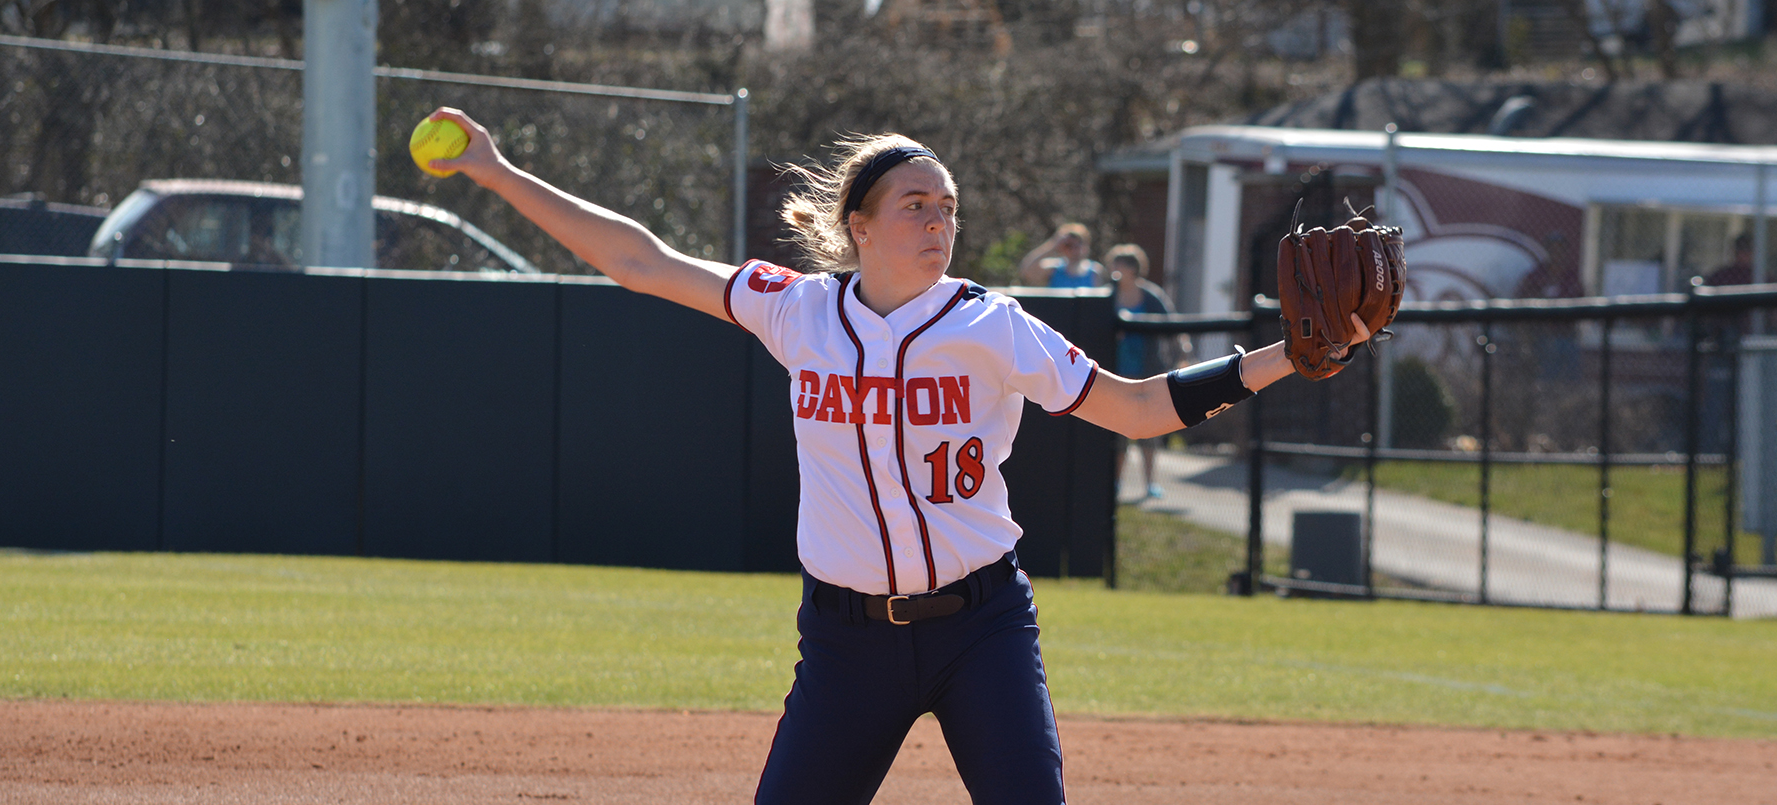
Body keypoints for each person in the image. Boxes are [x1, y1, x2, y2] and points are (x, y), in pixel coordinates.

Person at [417, 107, 1367, 804]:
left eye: (947, 207)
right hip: (846, 643)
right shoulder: (797, 310)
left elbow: (1136, 408)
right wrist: (497, 172)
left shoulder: (993, 325)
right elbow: (642, 259)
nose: (938, 222)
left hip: (983, 629)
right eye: (915, 205)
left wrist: (1289, 355)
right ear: (858, 227)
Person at [1107, 244, 1189, 499]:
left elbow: (1174, 329)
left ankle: (1150, 484)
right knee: (1119, 434)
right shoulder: (1106, 295)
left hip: (1148, 372)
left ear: (1132, 269)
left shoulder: (1151, 297)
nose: (1114, 270)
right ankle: (1116, 483)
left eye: (1119, 265)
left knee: (1149, 433)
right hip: (1115, 374)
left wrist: (1184, 356)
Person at [1016, 222, 1104, 288]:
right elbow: (1026, 271)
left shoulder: (1095, 271)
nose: (1074, 249)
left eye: (1078, 244)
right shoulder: (1053, 269)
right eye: (1069, 245)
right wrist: (1052, 245)